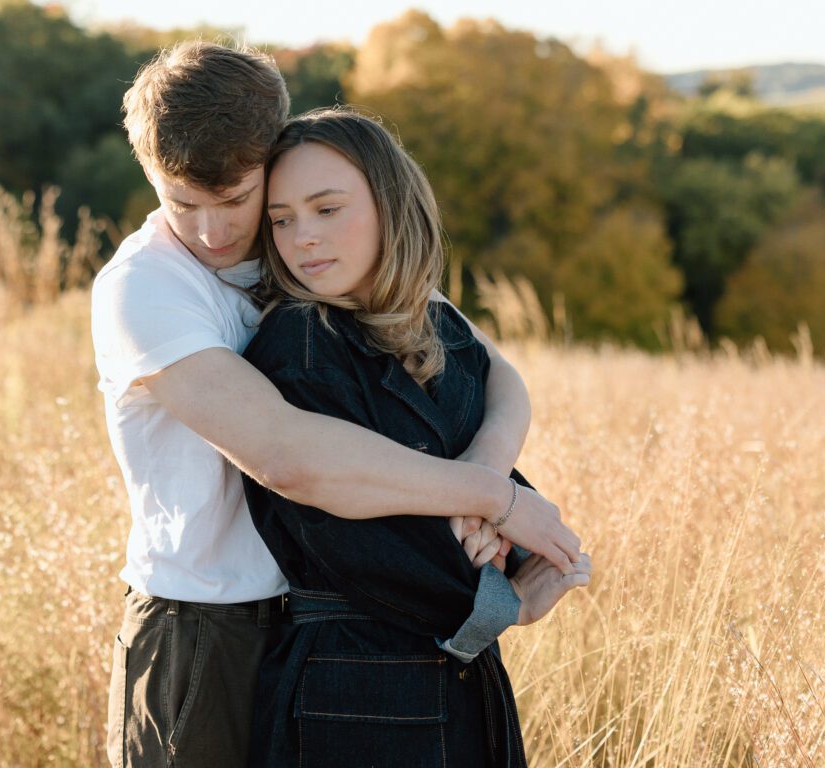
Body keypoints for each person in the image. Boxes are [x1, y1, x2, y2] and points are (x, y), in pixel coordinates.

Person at [91, 42, 584, 768]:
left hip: (317, 614)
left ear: (271, 157)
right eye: (181, 203)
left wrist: (487, 483)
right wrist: (495, 498)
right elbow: (287, 458)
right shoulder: (147, 287)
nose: (211, 232)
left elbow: (491, 365)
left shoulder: (296, 241)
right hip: (203, 627)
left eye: (233, 200)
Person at [242, 108, 591, 767]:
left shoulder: (437, 325)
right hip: (348, 690)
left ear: (390, 204)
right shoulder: (301, 343)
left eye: (326, 208)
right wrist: (507, 602)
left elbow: (492, 419)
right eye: (281, 219)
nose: (302, 239)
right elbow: (361, 541)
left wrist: (494, 507)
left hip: (459, 681)